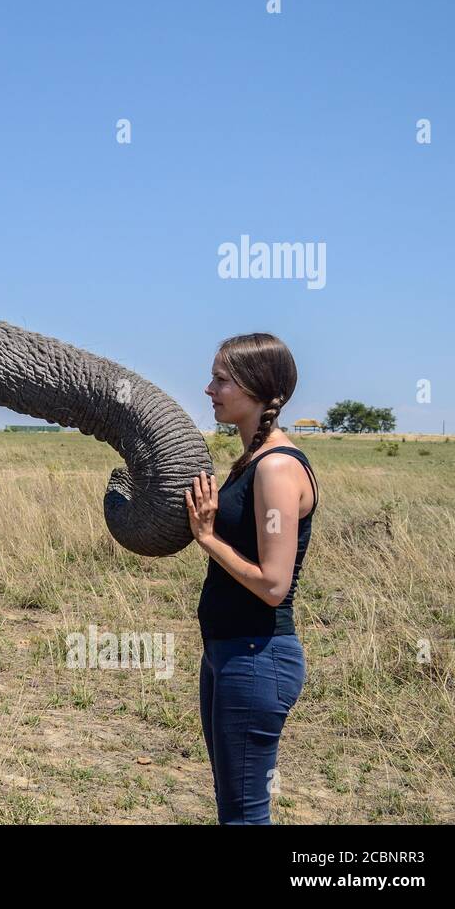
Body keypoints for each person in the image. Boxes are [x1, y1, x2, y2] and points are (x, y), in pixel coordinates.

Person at [185, 332, 318, 824]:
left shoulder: (276, 469)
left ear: (257, 389)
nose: (209, 389)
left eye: (221, 380)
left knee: (244, 816)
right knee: (232, 808)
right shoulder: (251, 463)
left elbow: (273, 584)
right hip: (229, 653)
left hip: (258, 657)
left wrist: (207, 537)